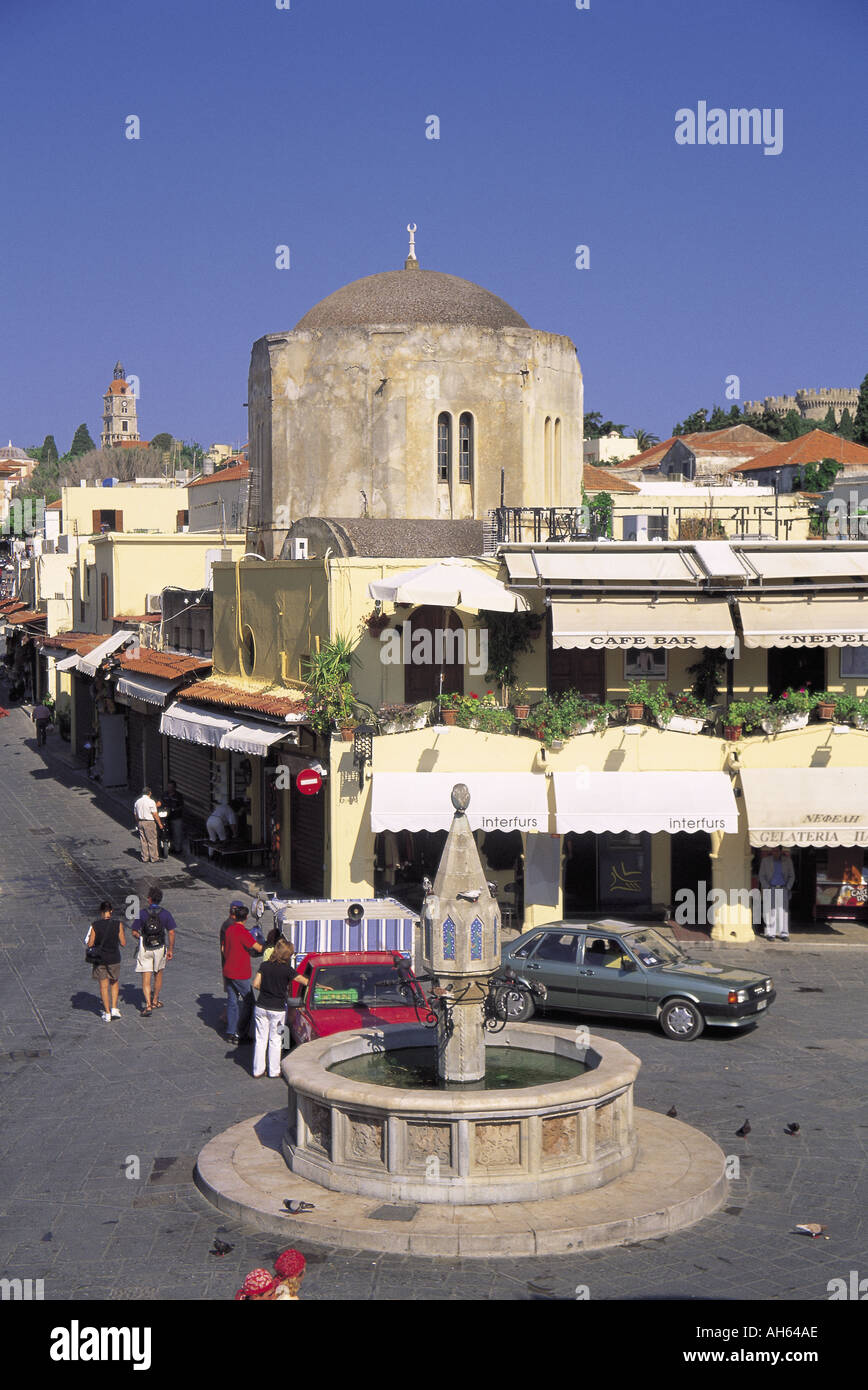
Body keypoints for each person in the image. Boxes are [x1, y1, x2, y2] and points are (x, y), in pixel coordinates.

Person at [251, 939, 307, 1079]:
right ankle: (274, 1070)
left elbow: (256, 984)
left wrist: (265, 990)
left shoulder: (264, 965)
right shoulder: (287, 970)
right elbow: (305, 981)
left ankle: (258, 1070)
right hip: (277, 1009)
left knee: (260, 1038)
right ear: (288, 955)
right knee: (275, 1039)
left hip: (261, 1006)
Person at [221, 900, 264, 1044]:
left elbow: (223, 949)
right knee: (250, 1002)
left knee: (232, 1002)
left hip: (228, 971)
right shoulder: (243, 932)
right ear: (245, 918)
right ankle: (242, 1032)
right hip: (240, 972)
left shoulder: (229, 930)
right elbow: (258, 948)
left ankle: (231, 1032)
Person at [131, 887, 177, 1016]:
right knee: (158, 975)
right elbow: (171, 932)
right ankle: (155, 1000)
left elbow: (134, 931)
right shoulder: (166, 914)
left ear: (149, 899)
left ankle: (148, 1005)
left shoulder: (142, 913)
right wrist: (171, 949)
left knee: (146, 978)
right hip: (160, 948)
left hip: (145, 947)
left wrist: (140, 936)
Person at [86, 900, 127, 1022]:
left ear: (101, 912)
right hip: (114, 958)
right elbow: (123, 943)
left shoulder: (95, 925)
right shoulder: (117, 924)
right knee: (114, 983)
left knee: (103, 986)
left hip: (100, 959)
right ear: (111, 911)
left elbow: (90, 944)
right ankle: (114, 1008)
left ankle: (107, 1013)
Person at [758, 846, 795, 940]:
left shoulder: (787, 861)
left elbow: (792, 875)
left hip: (783, 888)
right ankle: (771, 934)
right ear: (771, 851)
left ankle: (784, 933)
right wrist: (767, 887)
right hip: (771, 888)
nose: (775, 853)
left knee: (783, 912)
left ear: (781, 851)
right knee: (771, 912)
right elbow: (761, 876)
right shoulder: (765, 861)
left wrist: (788, 887)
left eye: (777, 851)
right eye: (774, 851)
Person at [133, 785, 164, 864]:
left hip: (140, 822)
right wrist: (160, 824)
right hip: (149, 822)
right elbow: (155, 814)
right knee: (152, 840)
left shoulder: (137, 802)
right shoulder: (151, 802)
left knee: (143, 840)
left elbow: (135, 814)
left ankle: (145, 858)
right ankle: (154, 858)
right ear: (149, 793)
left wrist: (138, 822)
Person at [161, 780, 185, 854]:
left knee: (177, 833)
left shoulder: (179, 796)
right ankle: (168, 847)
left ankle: (178, 849)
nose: (170, 788)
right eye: (168, 787)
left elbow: (181, 806)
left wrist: (174, 809)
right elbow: (160, 802)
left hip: (176, 817)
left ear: (175, 787)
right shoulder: (164, 794)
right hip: (166, 817)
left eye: (171, 787)